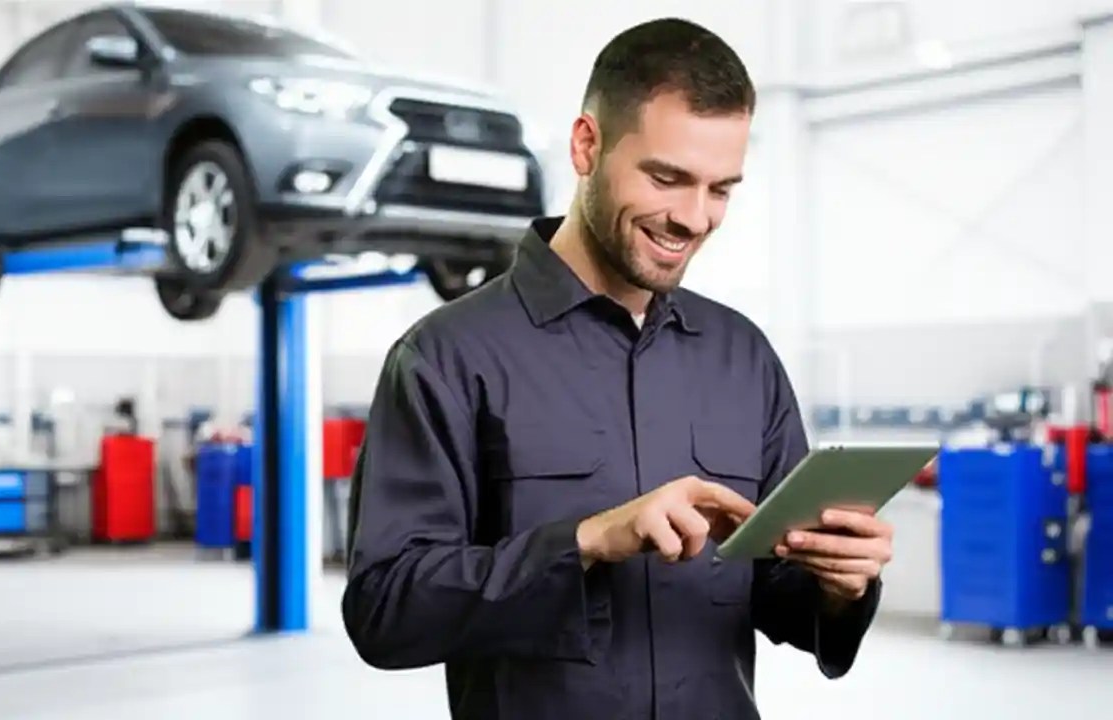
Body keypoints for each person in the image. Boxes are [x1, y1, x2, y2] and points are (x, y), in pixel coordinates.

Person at [341, 17, 894, 720]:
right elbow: (385, 608)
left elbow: (780, 592)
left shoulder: (742, 357)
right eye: (667, 178)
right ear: (586, 146)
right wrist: (588, 540)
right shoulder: (448, 358)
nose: (694, 218)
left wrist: (840, 583)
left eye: (720, 188)